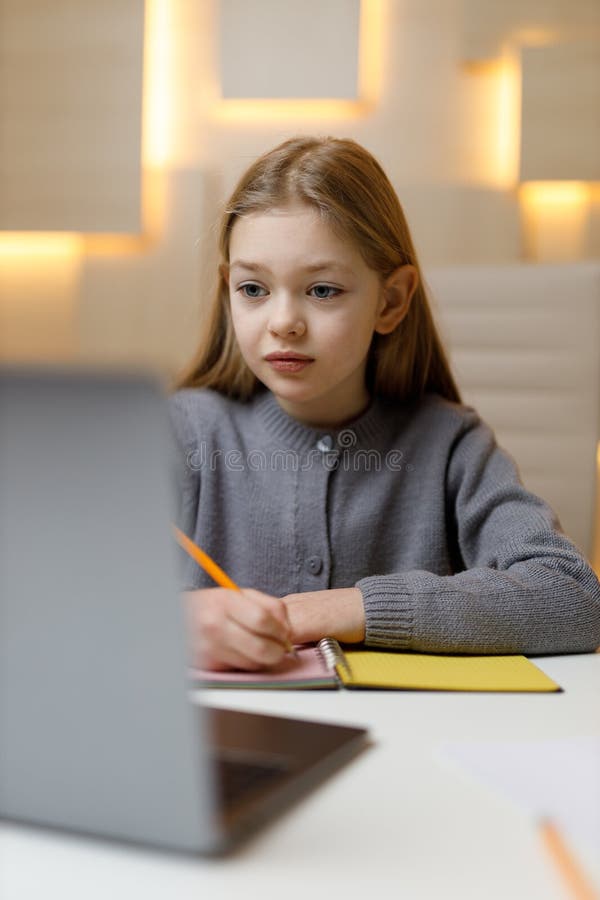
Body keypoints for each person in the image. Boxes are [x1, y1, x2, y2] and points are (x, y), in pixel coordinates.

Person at [168, 135, 600, 672]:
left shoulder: (450, 445)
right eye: (253, 289)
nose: (283, 322)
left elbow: (573, 599)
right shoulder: (183, 433)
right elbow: (64, 597)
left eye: (322, 290)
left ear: (390, 301)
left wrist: (349, 608)